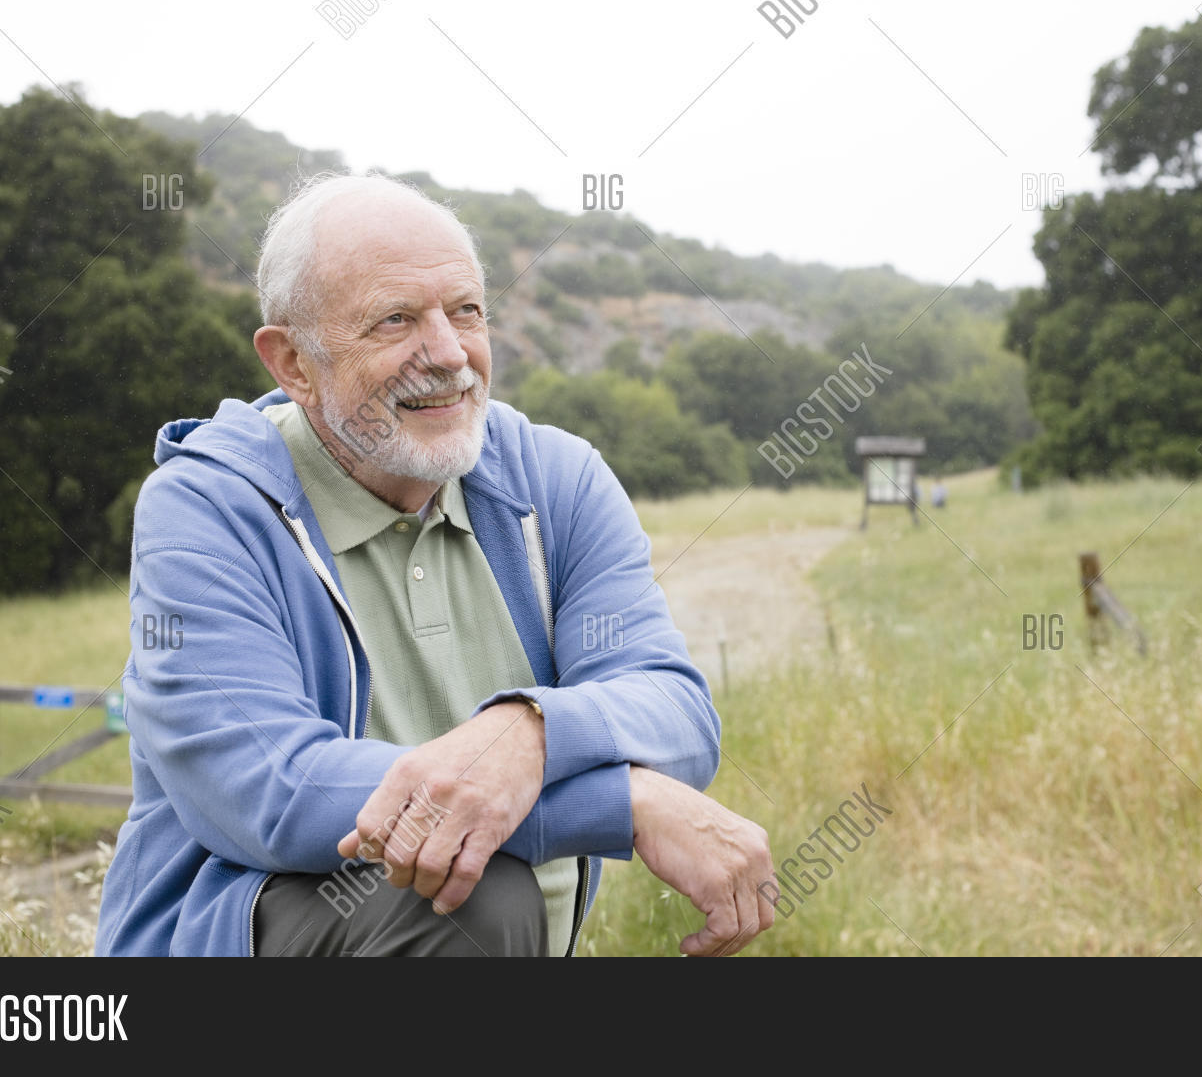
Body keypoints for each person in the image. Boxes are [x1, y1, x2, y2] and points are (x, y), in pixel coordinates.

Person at [94, 172, 775, 957]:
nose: (449, 354)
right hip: (240, 945)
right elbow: (268, 793)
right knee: (467, 895)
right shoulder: (204, 510)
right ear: (293, 363)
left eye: (466, 311)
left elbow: (675, 711)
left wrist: (527, 735)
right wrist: (620, 801)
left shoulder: (557, 480)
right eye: (395, 321)